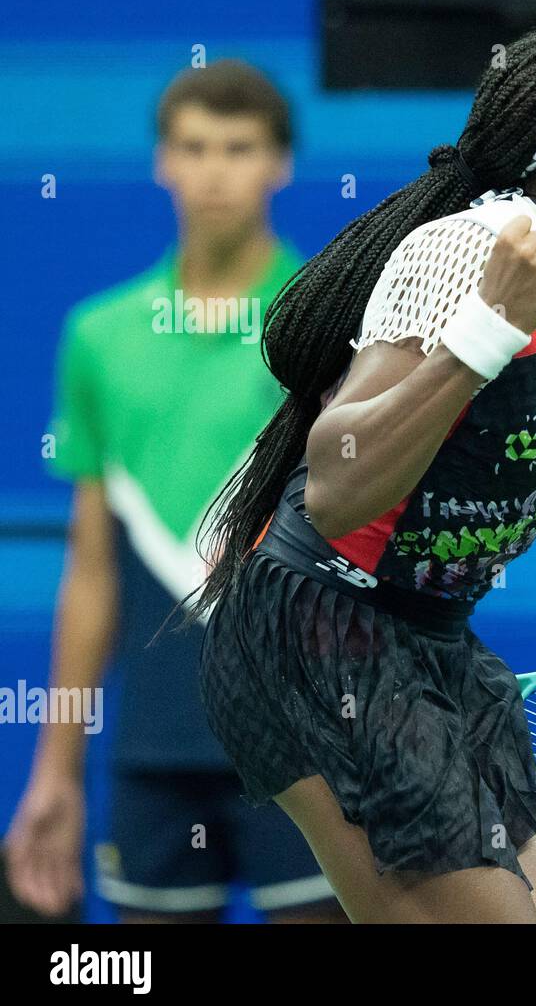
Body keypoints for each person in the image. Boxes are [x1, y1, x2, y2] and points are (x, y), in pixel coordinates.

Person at [194, 24, 536, 923]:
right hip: (318, 635)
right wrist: (482, 338)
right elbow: (335, 478)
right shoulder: (473, 251)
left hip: (433, 641)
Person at [5, 60, 346, 924]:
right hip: (154, 748)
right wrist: (56, 767)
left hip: (305, 743)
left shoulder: (330, 325)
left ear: (281, 164)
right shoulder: (100, 336)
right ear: (163, 162)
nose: (216, 171)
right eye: (194, 147)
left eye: (240, 147)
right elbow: (91, 572)